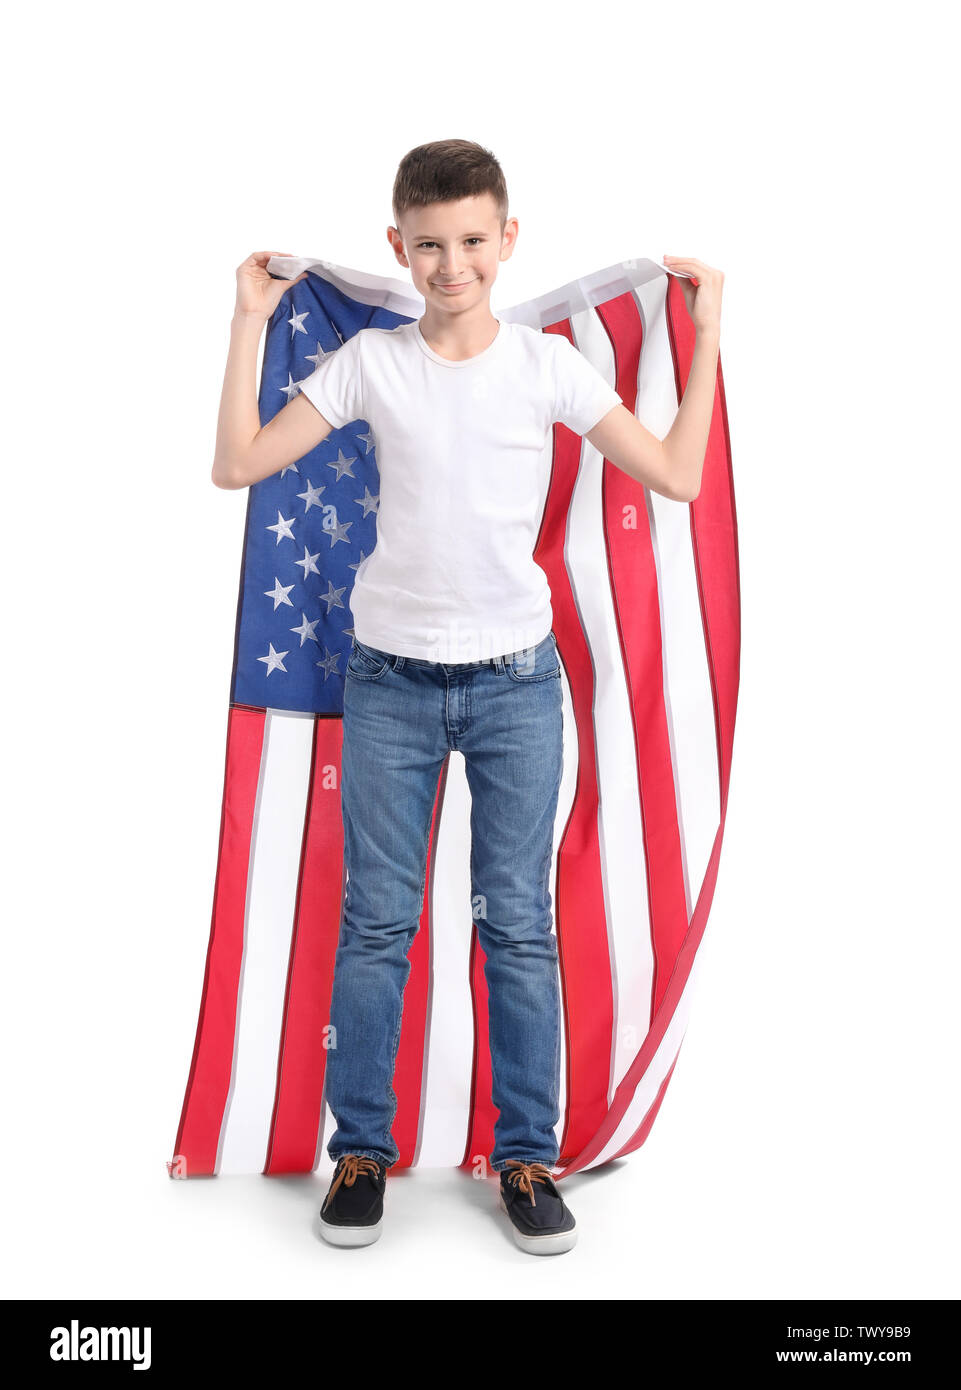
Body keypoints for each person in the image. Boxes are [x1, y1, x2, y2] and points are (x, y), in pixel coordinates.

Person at [211, 138, 723, 1256]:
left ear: (508, 241)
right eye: (430, 245)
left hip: (513, 687)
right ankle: (363, 1150)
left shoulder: (543, 366)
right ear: (399, 246)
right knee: (378, 923)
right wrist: (248, 317)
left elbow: (676, 477)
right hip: (389, 681)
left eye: (474, 242)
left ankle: (525, 1155)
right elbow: (239, 464)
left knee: (518, 922)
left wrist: (705, 339)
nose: (453, 264)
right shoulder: (372, 365)